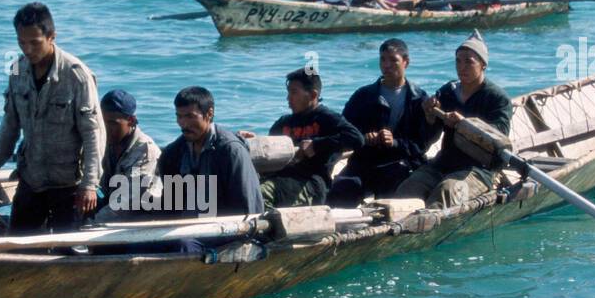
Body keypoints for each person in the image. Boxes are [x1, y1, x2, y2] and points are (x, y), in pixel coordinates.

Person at [0, 2, 106, 234]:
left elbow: (93, 134)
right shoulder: (17, 70)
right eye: (21, 42)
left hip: (68, 184)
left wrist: (90, 185)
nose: (27, 49)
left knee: (67, 252)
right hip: (31, 178)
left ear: (51, 36)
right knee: (17, 248)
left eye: (34, 42)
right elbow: (10, 124)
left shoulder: (76, 75)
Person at [393, 30, 513, 208]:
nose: (461, 67)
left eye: (469, 62)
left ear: (483, 65)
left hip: (479, 169)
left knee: (447, 191)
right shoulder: (448, 92)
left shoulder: (497, 98)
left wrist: (465, 124)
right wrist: (429, 116)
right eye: (458, 61)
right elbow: (429, 138)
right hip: (444, 163)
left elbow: (500, 140)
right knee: (407, 190)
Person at [328, 38, 438, 207]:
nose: (387, 65)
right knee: (340, 190)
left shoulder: (418, 99)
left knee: (393, 195)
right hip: (364, 161)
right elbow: (344, 132)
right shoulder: (363, 96)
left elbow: (422, 143)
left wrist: (394, 143)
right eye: (383, 59)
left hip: (400, 163)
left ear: (406, 62)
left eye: (393, 60)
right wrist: (364, 138)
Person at [238, 68, 362, 208]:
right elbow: (271, 152)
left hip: (310, 184)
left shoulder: (326, 118)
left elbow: (356, 138)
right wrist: (255, 142)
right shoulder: (283, 122)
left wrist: (316, 145)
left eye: (294, 92)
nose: (288, 97)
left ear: (313, 94)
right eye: (288, 92)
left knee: (261, 193)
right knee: (240, 188)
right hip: (278, 178)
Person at [157, 86, 264, 217]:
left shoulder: (231, 151)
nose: (183, 124)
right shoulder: (172, 153)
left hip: (222, 229)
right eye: (179, 117)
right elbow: (172, 206)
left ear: (209, 114)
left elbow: (248, 207)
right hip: (184, 226)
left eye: (190, 117)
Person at [96, 88, 160, 219]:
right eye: (102, 122)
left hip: (140, 213)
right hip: (112, 203)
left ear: (131, 121)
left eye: (112, 123)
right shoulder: (106, 143)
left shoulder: (144, 151)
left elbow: (129, 199)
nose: (105, 129)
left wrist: (92, 222)